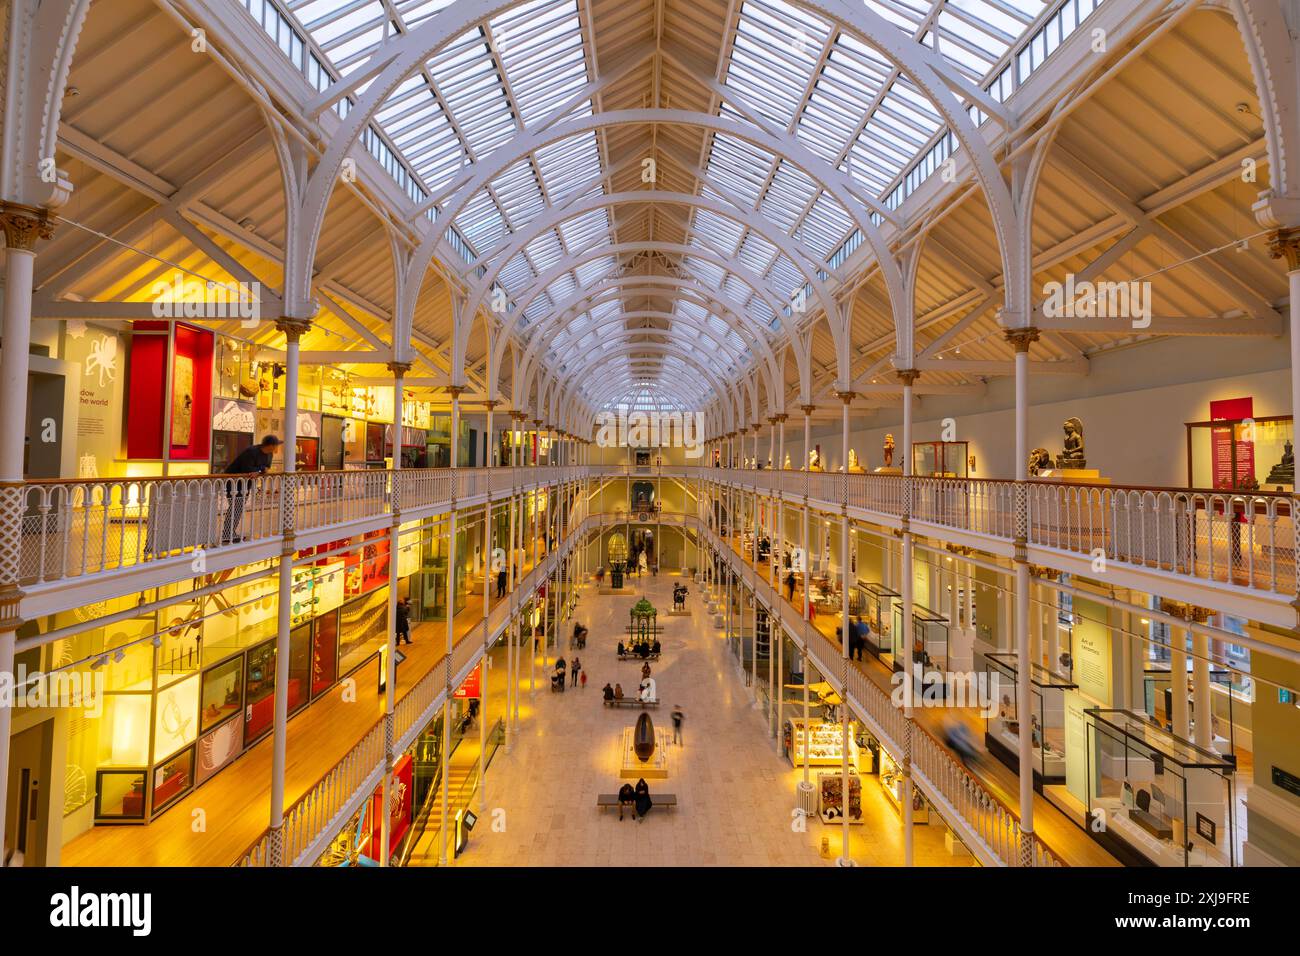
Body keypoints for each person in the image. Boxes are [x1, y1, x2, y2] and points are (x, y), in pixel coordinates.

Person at [221, 435, 281, 544]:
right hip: (234, 482)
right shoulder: (251, 451)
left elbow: (266, 468)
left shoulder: (269, 454)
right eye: (276, 445)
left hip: (246, 484)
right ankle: (227, 533)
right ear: (271, 445)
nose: (277, 448)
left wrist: (259, 470)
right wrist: (260, 470)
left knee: (238, 508)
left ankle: (229, 533)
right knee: (236, 507)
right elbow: (247, 470)